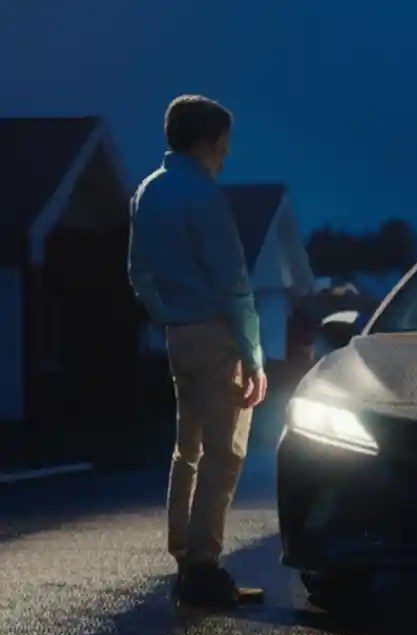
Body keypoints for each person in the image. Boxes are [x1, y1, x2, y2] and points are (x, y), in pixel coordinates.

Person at [127, 94, 267, 607]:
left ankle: (185, 557)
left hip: (178, 333)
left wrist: (167, 314)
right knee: (224, 452)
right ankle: (204, 566)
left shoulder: (146, 192)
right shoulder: (204, 196)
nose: (225, 157)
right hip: (213, 332)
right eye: (223, 146)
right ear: (205, 143)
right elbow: (234, 282)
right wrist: (252, 355)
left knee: (187, 449)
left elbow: (137, 272)